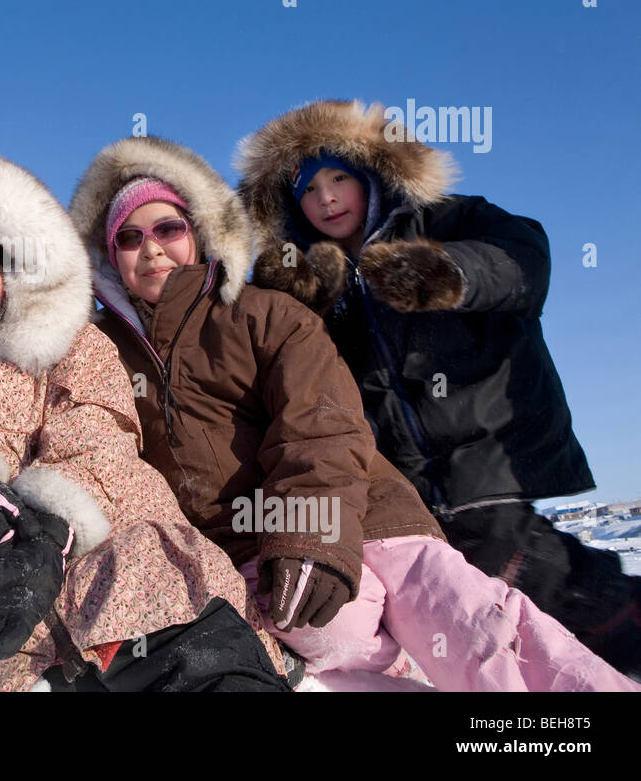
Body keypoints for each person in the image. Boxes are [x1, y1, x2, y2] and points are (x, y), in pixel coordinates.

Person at [69, 133, 637, 690]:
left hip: (418, 481)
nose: (151, 248)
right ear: (107, 254)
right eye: (128, 236)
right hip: (290, 527)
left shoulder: (265, 308)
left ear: (201, 231)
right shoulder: (103, 348)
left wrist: (448, 272)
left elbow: (317, 415)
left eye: (169, 228)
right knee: (336, 631)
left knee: (476, 612)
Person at [0, 144, 291, 692]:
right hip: (8, 580)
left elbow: (95, 428)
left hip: (114, 533)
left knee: (164, 608)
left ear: (16, 273)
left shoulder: (70, 345)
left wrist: (51, 521)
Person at [234, 99, 640, 676]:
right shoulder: (317, 278)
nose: (325, 197)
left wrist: (447, 273)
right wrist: (294, 298)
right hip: (405, 474)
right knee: (460, 581)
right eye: (307, 189)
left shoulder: (446, 219)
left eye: (339, 177)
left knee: (511, 555)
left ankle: (617, 634)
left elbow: (525, 260)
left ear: (372, 173)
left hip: (490, 441)